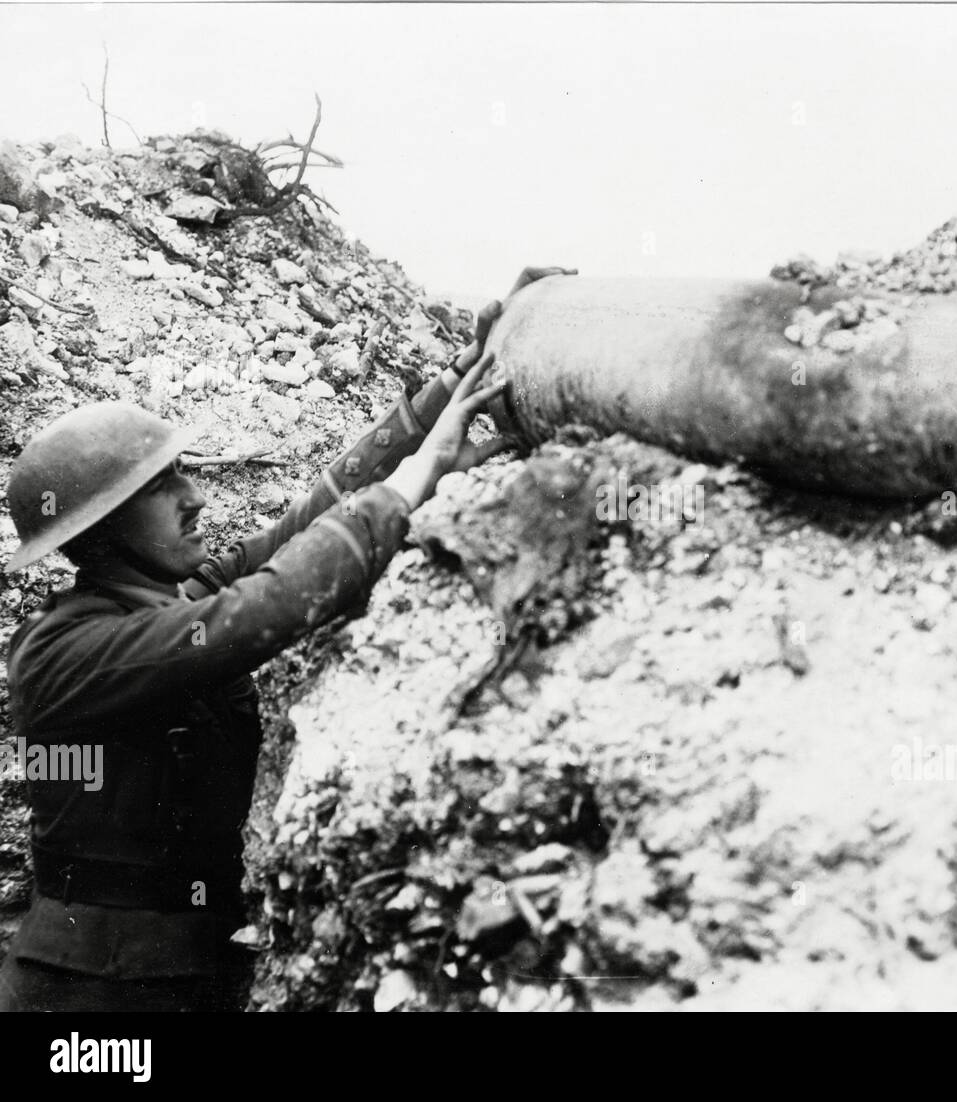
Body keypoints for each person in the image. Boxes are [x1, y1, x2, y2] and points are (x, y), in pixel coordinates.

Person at [0, 265, 574, 1012]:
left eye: (184, 474)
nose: (195, 496)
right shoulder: (62, 654)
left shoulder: (161, 599)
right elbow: (267, 606)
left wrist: (455, 383)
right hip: (85, 997)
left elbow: (309, 517)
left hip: (179, 972)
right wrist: (411, 488)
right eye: (161, 487)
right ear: (102, 530)